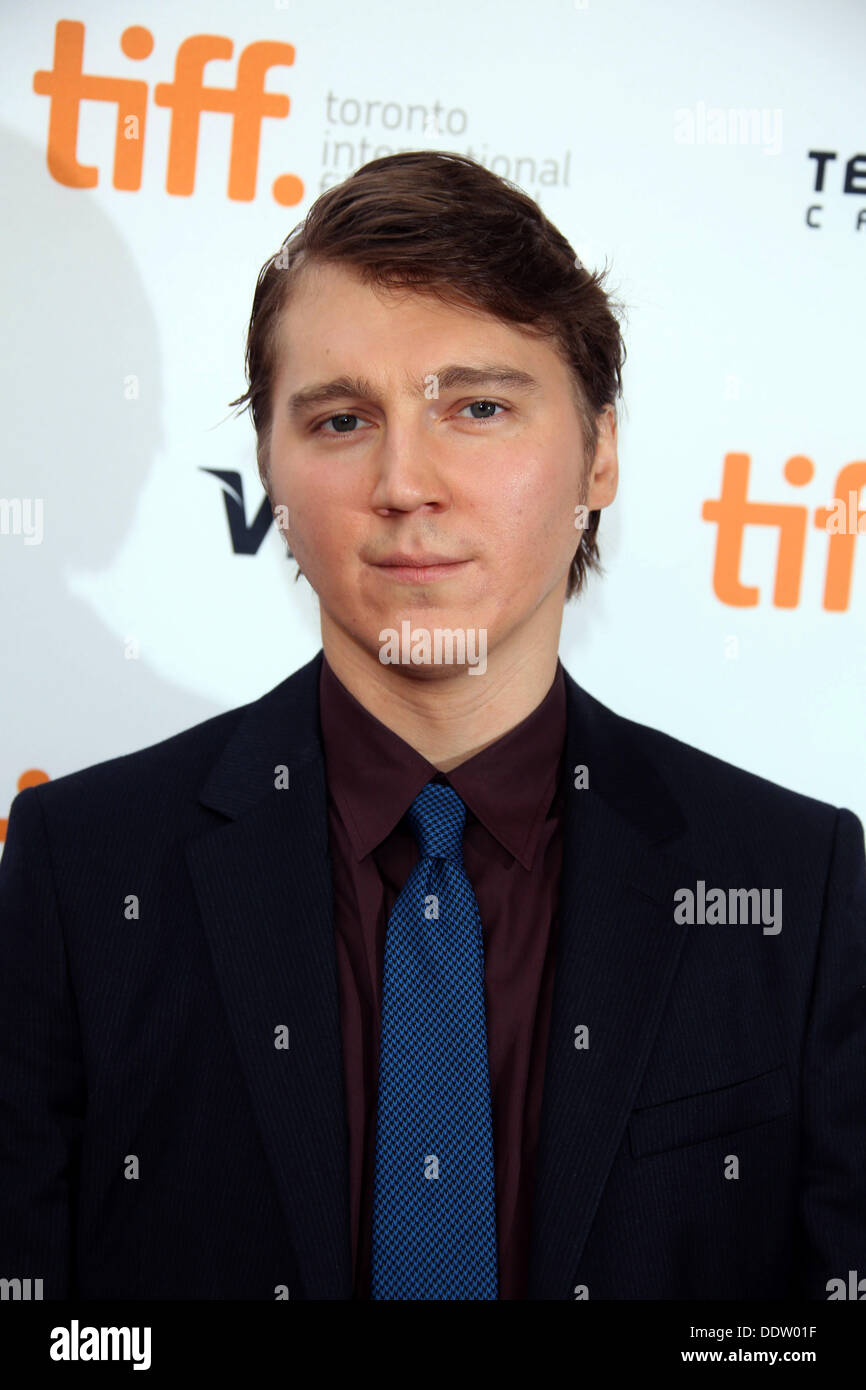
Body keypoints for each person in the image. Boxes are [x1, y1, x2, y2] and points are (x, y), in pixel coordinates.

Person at [1, 151, 864, 1301]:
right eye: (343, 418)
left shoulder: (791, 885)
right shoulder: (78, 865)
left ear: (598, 452)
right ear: (267, 468)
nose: (407, 482)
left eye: (479, 407)